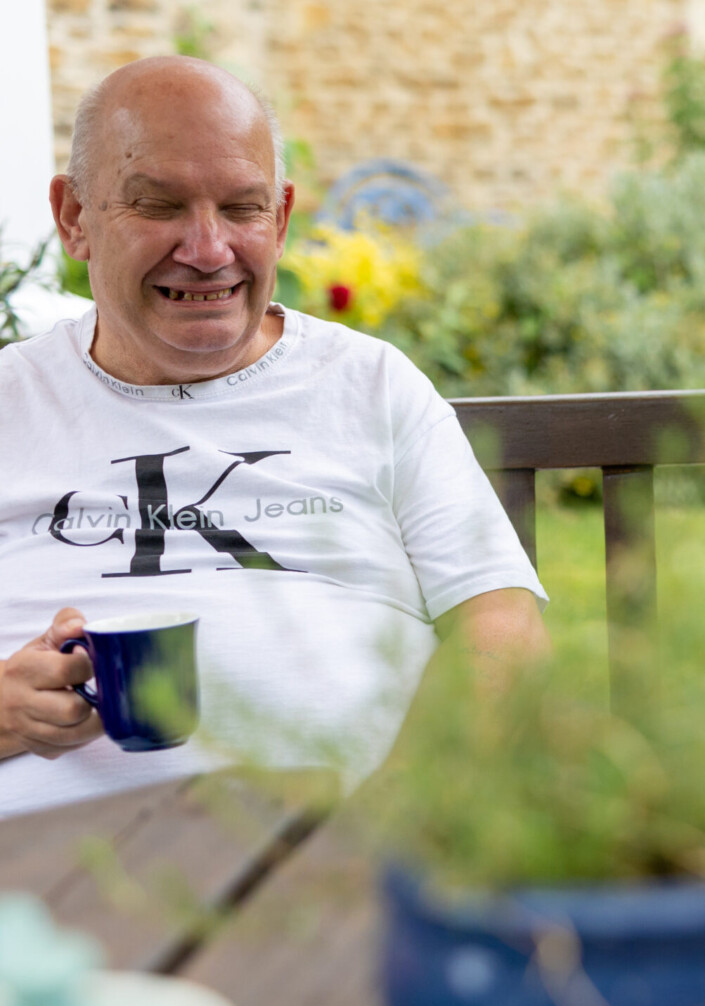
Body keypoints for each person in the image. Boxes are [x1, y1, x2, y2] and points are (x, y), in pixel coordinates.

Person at [0, 57, 549, 815]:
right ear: (73, 217)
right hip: (43, 865)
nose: (208, 249)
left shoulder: (369, 385)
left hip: (353, 849)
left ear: (282, 219)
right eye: (157, 205)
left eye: (242, 208)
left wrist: (398, 816)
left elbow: (502, 626)